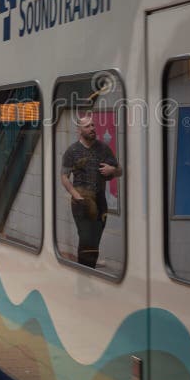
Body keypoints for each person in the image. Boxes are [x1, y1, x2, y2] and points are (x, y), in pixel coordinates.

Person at [60, 113, 122, 268]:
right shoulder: (72, 151)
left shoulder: (103, 148)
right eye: (87, 126)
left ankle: (89, 272)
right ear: (79, 130)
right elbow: (64, 177)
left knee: (94, 241)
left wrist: (112, 170)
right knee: (87, 239)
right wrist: (76, 196)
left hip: (100, 200)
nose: (92, 128)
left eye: (93, 125)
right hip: (81, 200)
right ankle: (84, 275)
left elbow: (120, 171)